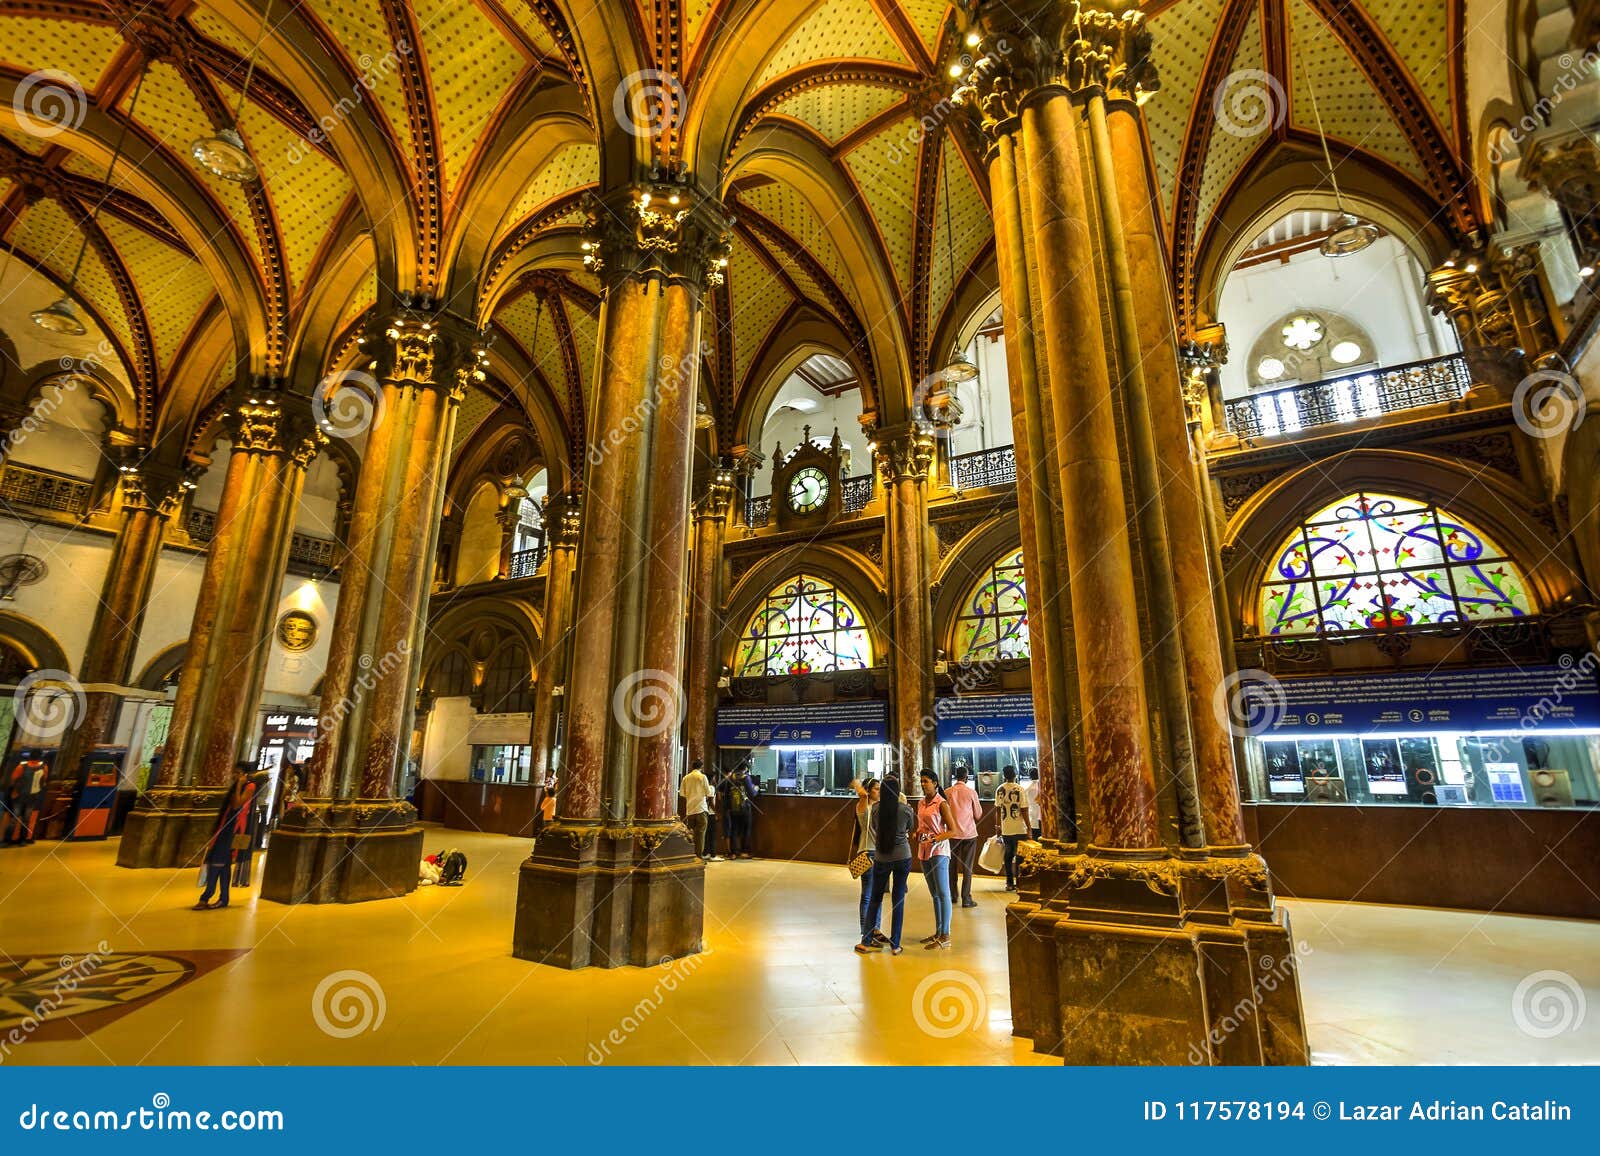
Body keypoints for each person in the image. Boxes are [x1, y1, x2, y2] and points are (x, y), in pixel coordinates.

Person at [857, 774, 914, 955]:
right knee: (898, 900)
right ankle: (895, 945)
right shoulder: (906, 810)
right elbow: (909, 828)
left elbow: (874, 827)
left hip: (881, 857)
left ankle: (866, 942)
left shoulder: (875, 809)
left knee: (875, 899)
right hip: (903, 857)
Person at [195, 762, 257, 910]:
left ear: (244, 774)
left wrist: (238, 786)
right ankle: (224, 898)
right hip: (226, 825)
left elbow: (237, 805)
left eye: (237, 772)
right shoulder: (239, 786)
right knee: (224, 865)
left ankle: (206, 896)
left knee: (216, 861)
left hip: (234, 829)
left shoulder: (249, 787)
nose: (234, 775)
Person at [915, 772, 957, 949]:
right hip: (924, 851)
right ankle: (938, 932)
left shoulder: (941, 803)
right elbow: (921, 826)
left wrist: (935, 839)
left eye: (926, 781)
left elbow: (952, 831)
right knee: (934, 893)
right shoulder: (921, 802)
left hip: (938, 850)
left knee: (943, 892)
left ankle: (945, 934)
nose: (923, 784)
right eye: (921, 781)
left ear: (935, 783)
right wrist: (917, 833)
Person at [850, 777, 884, 944]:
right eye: (876, 789)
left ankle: (876, 929)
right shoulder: (864, 807)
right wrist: (857, 784)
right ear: (869, 791)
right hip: (868, 853)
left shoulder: (880, 807)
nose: (879, 792)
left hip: (881, 854)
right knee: (868, 894)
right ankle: (866, 932)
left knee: (877, 894)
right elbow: (862, 796)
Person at [944, 766, 983, 908]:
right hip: (969, 834)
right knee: (967, 866)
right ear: (966, 777)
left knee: (951, 866)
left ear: (955, 776)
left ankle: (953, 895)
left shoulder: (947, 792)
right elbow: (978, 814)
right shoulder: (971, 792)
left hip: (952, 834)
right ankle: (966, 898)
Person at [995, 765, 1029, 892]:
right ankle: (1020, 882)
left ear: (1004, 775)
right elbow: (1024, 810)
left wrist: (998, 826)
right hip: (1020, 828)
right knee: (1020, 857)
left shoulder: (999, 789)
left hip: (1006, 829)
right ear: (1015, 775)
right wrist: (1029, 827)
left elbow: (997, 811)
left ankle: (1009, 883)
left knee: (1008, 856)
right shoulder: (1020, 789)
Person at [3, 752, 47, 846]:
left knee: (14, 818)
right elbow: (44, 782)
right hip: (32, 797)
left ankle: (7, 841)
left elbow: (13, 779)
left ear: (30, 757)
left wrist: (14, 791)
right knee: (26, 819)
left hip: (19, 796)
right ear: (39, 758)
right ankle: (22, 840)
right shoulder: (44, 767)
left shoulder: (22, 766)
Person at [717, 765, 754, 858]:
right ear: (745, 769)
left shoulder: (730, 778)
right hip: (745, 809)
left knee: (734, 830)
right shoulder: (746, 778)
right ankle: (744, 851)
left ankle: (733, 852)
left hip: (733, 809)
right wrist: (756, 788)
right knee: (746, 830)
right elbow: (752, 793)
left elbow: (722, 791)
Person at [680, 759, 714, 857]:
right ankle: (698, 856)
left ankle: (690, 855)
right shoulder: (702, 777)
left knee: (691, 834)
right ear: (701, 767)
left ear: (692, 767)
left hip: (690, 810)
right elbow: (708, 792)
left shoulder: (686, 778)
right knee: (701, 835)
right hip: (701, 809)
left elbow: (682, 793)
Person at [1024, 766, 1042, 839]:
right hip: (1041, 816)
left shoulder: (1026, 788)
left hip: (1031, 816)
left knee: (1035, 838)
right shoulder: (1042, 786)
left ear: (1030, 776)